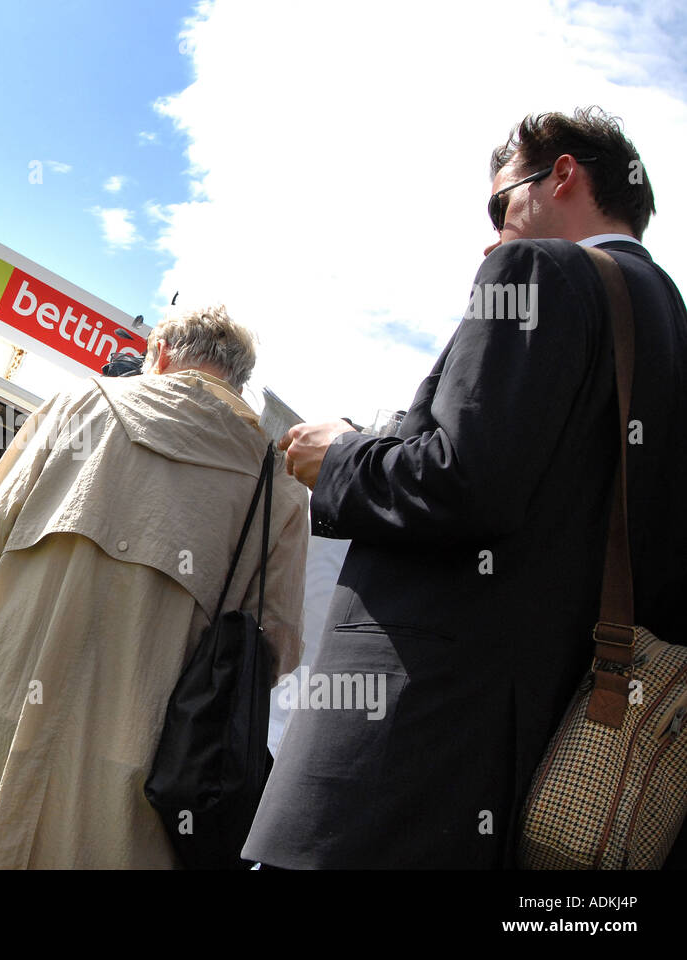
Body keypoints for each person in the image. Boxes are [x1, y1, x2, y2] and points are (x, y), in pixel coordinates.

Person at [246, 107, 687, 869]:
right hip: (564, 775)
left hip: (407, 761)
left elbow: (464, 482)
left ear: (563, 174)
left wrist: (344, 454)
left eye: (500, 200)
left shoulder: (540, 270)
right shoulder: (671, 333)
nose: (495, 231)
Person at [0, 305, 309, 869]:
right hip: (137, 756)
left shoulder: (78, 407)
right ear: (238, 382)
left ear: (160, 357)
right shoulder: (275, 483)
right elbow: (275, 649)